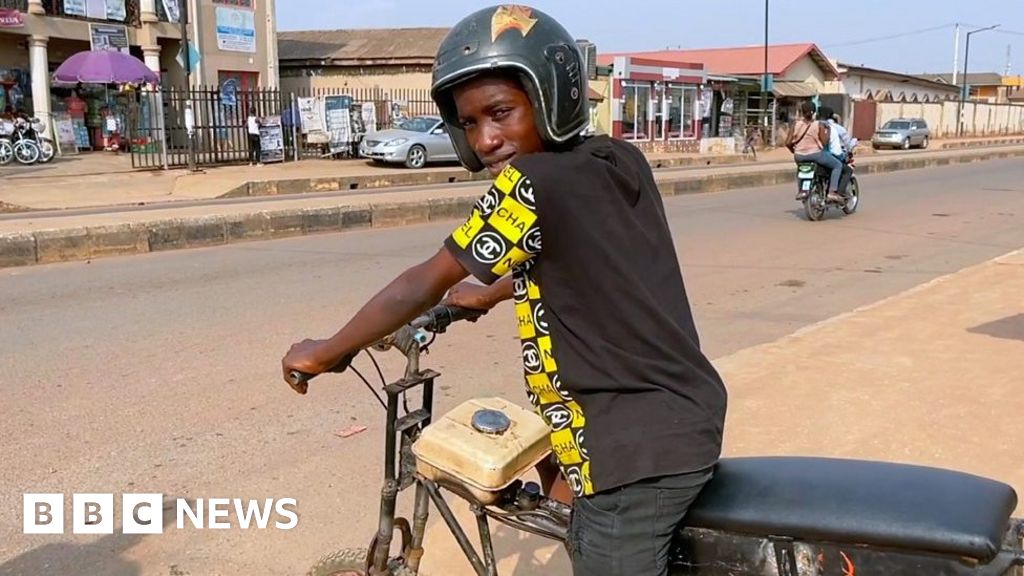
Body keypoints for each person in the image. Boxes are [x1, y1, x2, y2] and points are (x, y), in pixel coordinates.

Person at [281, 5, 728, 575]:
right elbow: (592, 257)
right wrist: (489, 294)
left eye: (501, 113)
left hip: (630, 454)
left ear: (551, 99)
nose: (487, 139)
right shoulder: (619, 159)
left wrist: (327, 350)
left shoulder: (530, 184)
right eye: (469, 124)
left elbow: (425, 279)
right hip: (677, 418)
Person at [787, 101, 843, 202]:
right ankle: (832, 192)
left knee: (801, 169)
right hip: (816, 155)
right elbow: (824, 142)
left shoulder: (795, 124)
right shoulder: (818, 124)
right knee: (837, 165)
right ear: (814, 112)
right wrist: (828, 131)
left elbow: (787, 142)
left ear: (802, 112)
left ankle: (802, 190)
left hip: (799, 155)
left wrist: (794, 151)